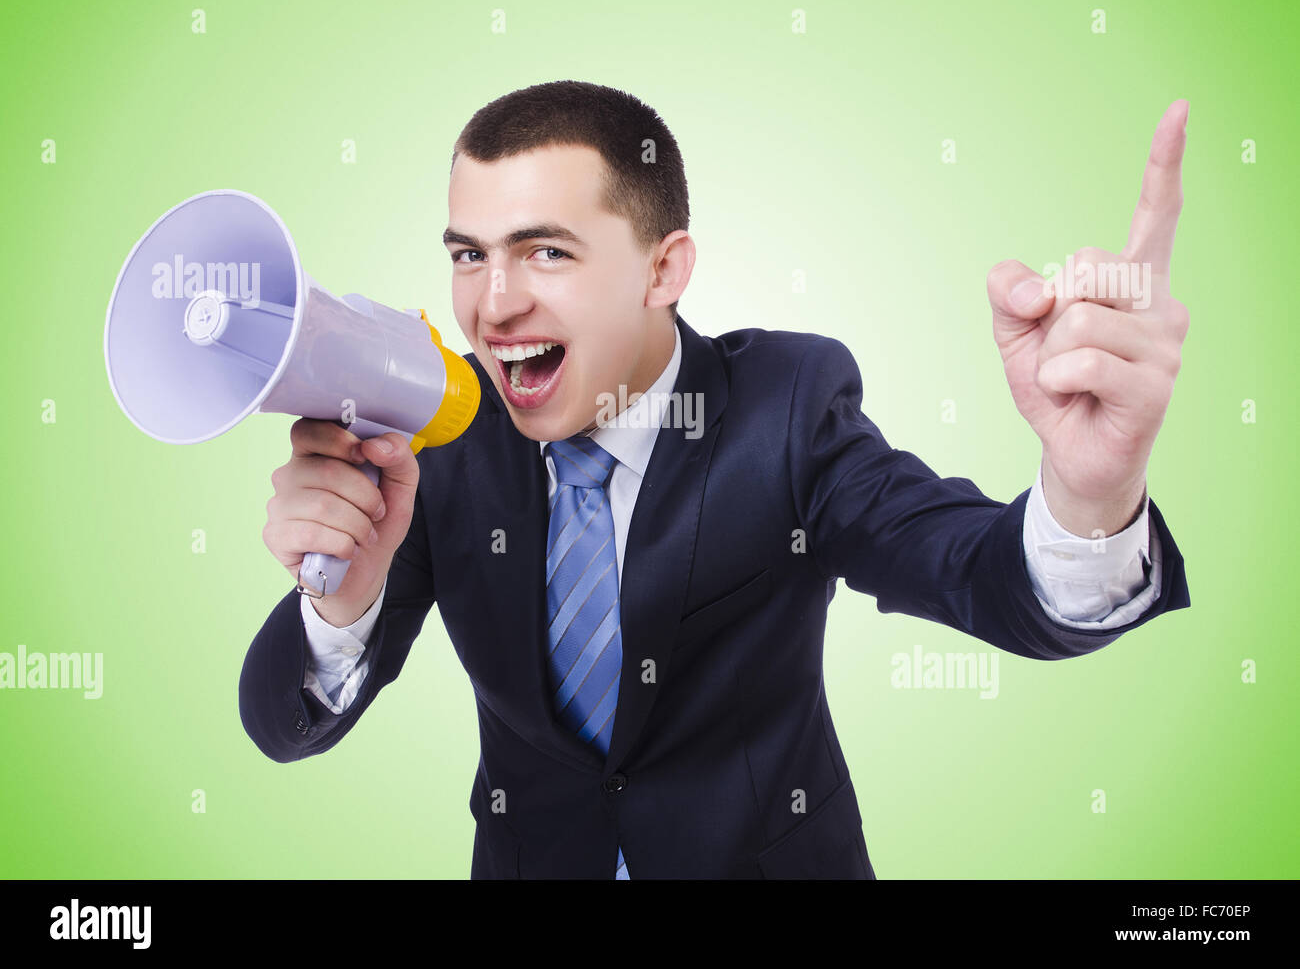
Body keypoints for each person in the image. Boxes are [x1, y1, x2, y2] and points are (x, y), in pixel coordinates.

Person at [240, 80, 1191, 879]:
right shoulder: (435, 448)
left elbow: (978, 574)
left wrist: (1091, 489)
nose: (495, 304)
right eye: (469, 255)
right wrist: (337, 608)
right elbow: (286, 730)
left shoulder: (786, 407)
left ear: (664, 269)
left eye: (546, 251)